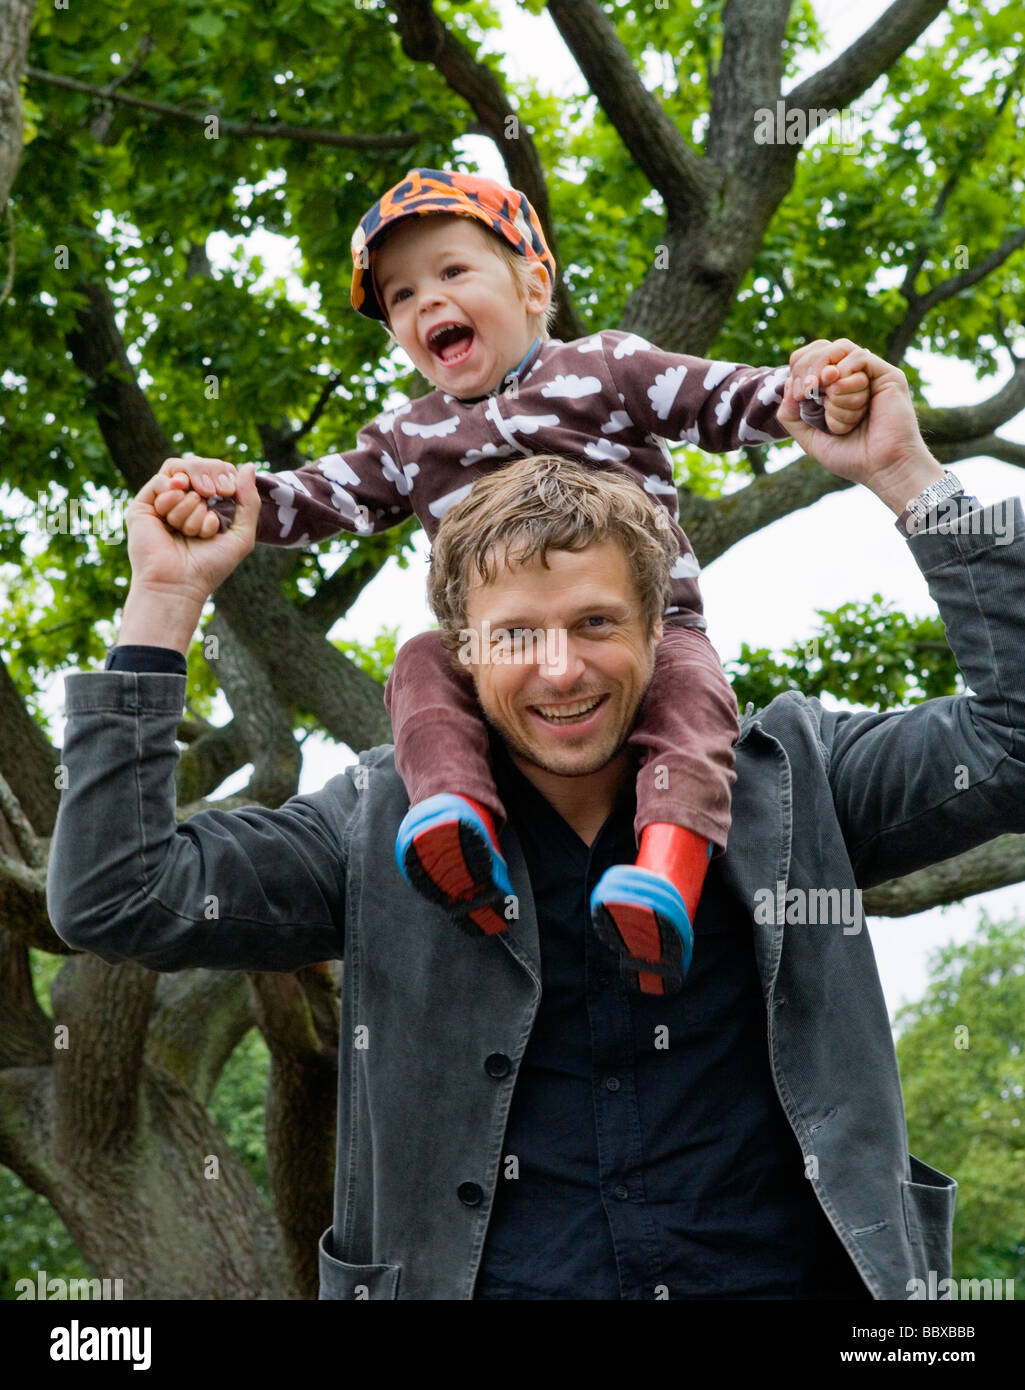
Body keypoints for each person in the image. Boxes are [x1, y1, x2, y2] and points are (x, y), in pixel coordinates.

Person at [47, 349, 1025, 1299]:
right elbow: (115, 893)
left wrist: (906, 474)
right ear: (461, 652)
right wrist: (162, 603)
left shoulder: (795, 782)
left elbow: (1011, 743)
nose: (560, 669)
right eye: (516, 635)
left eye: (596, 623)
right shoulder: (371, 827)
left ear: (659, 630)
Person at [146, 167, 870, 997]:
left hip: (646, 627)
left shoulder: (604, 370)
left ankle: (666, 870)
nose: (426, 303)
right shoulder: (406, 437)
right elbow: (319, 497)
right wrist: (230, 495)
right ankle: (456, 825)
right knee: (421, 659)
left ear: (533, 284)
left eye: (452, 273)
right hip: (497, 656)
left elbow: (720, 399)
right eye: (401, 296)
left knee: (691, 692)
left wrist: (806, 392)